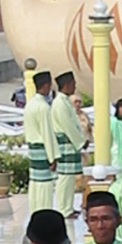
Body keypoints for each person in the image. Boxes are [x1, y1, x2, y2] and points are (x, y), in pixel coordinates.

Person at [51, 71, 87, 219]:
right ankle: (63, 209)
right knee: (65, 177)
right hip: (66, 141)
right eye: (73, 83)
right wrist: (80, 141)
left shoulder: (65, 101)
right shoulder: (59, 103)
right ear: (66, 85)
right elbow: (68, 126)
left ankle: (68, 206)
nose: (75, 86)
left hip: (71, 141)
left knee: (70, 177)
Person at [24, 71, 59, 213]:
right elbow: (47, 133)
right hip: (42, 150)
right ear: (45, 86)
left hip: (33, 149)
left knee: (35, 187)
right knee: (44, 188)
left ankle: (34, 214)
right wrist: (52, 157)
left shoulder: (30, 104)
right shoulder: (43, 107)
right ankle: (44, 215)